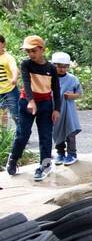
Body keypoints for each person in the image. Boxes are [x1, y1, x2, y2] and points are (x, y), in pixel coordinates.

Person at [8, 35, 61, 180]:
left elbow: (56, 90)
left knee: (45, 135)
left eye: (33, 51)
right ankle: (13, 159)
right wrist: (31, 101)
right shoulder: (26, 64)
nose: (30, 54)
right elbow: (26, 82)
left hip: (45, 104)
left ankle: (45, 165)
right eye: (28, 51)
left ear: (42, 50)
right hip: (27, 102)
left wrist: (57, 109)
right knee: (23, 133)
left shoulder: (51, 68)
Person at [49, 52, 82, 166]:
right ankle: (60, 153)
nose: (62, 69)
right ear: (53, 65)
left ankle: (72, 154)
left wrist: (72, 96)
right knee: (56, 131)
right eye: (59, 66)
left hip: (68, 110)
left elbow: (79, 93)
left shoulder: (72, 79)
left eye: (65, 66)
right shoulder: (49, 78)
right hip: (54, 110)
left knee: (70, 131)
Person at [0, 34, 19, 127]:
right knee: (2, 115)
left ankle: (22, 135)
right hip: (0, 91)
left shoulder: (8, 57)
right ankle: (4, 136)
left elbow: (14, 69)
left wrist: (14, 78)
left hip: (10, 90)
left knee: (15, 114)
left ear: (3, 44)